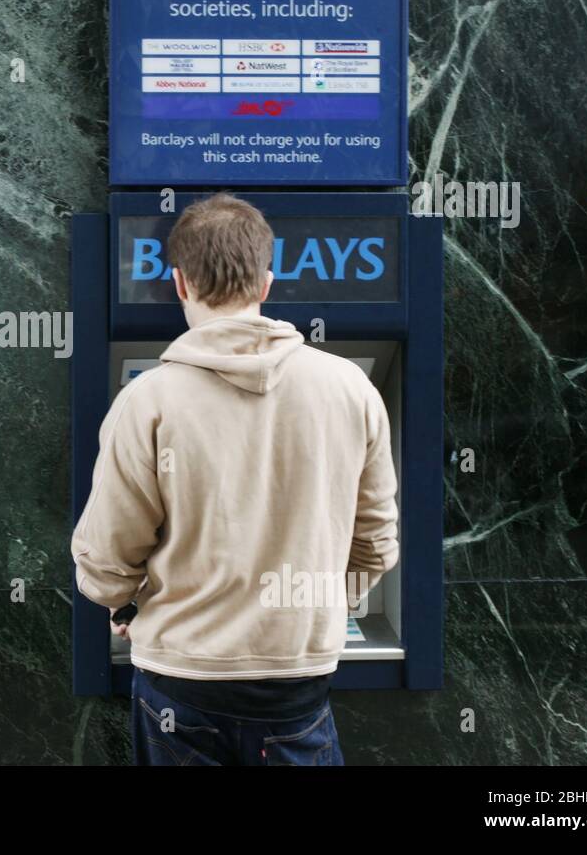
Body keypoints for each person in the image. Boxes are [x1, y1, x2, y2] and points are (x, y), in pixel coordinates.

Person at [70, 193, 399, 766]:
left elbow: (108, 551)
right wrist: (316, 609)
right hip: (297, 684)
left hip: (183, 683)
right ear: (268, 283)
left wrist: (123, 606)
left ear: (179, 284)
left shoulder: (148, 400)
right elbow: (374, 542)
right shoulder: (350, 388)